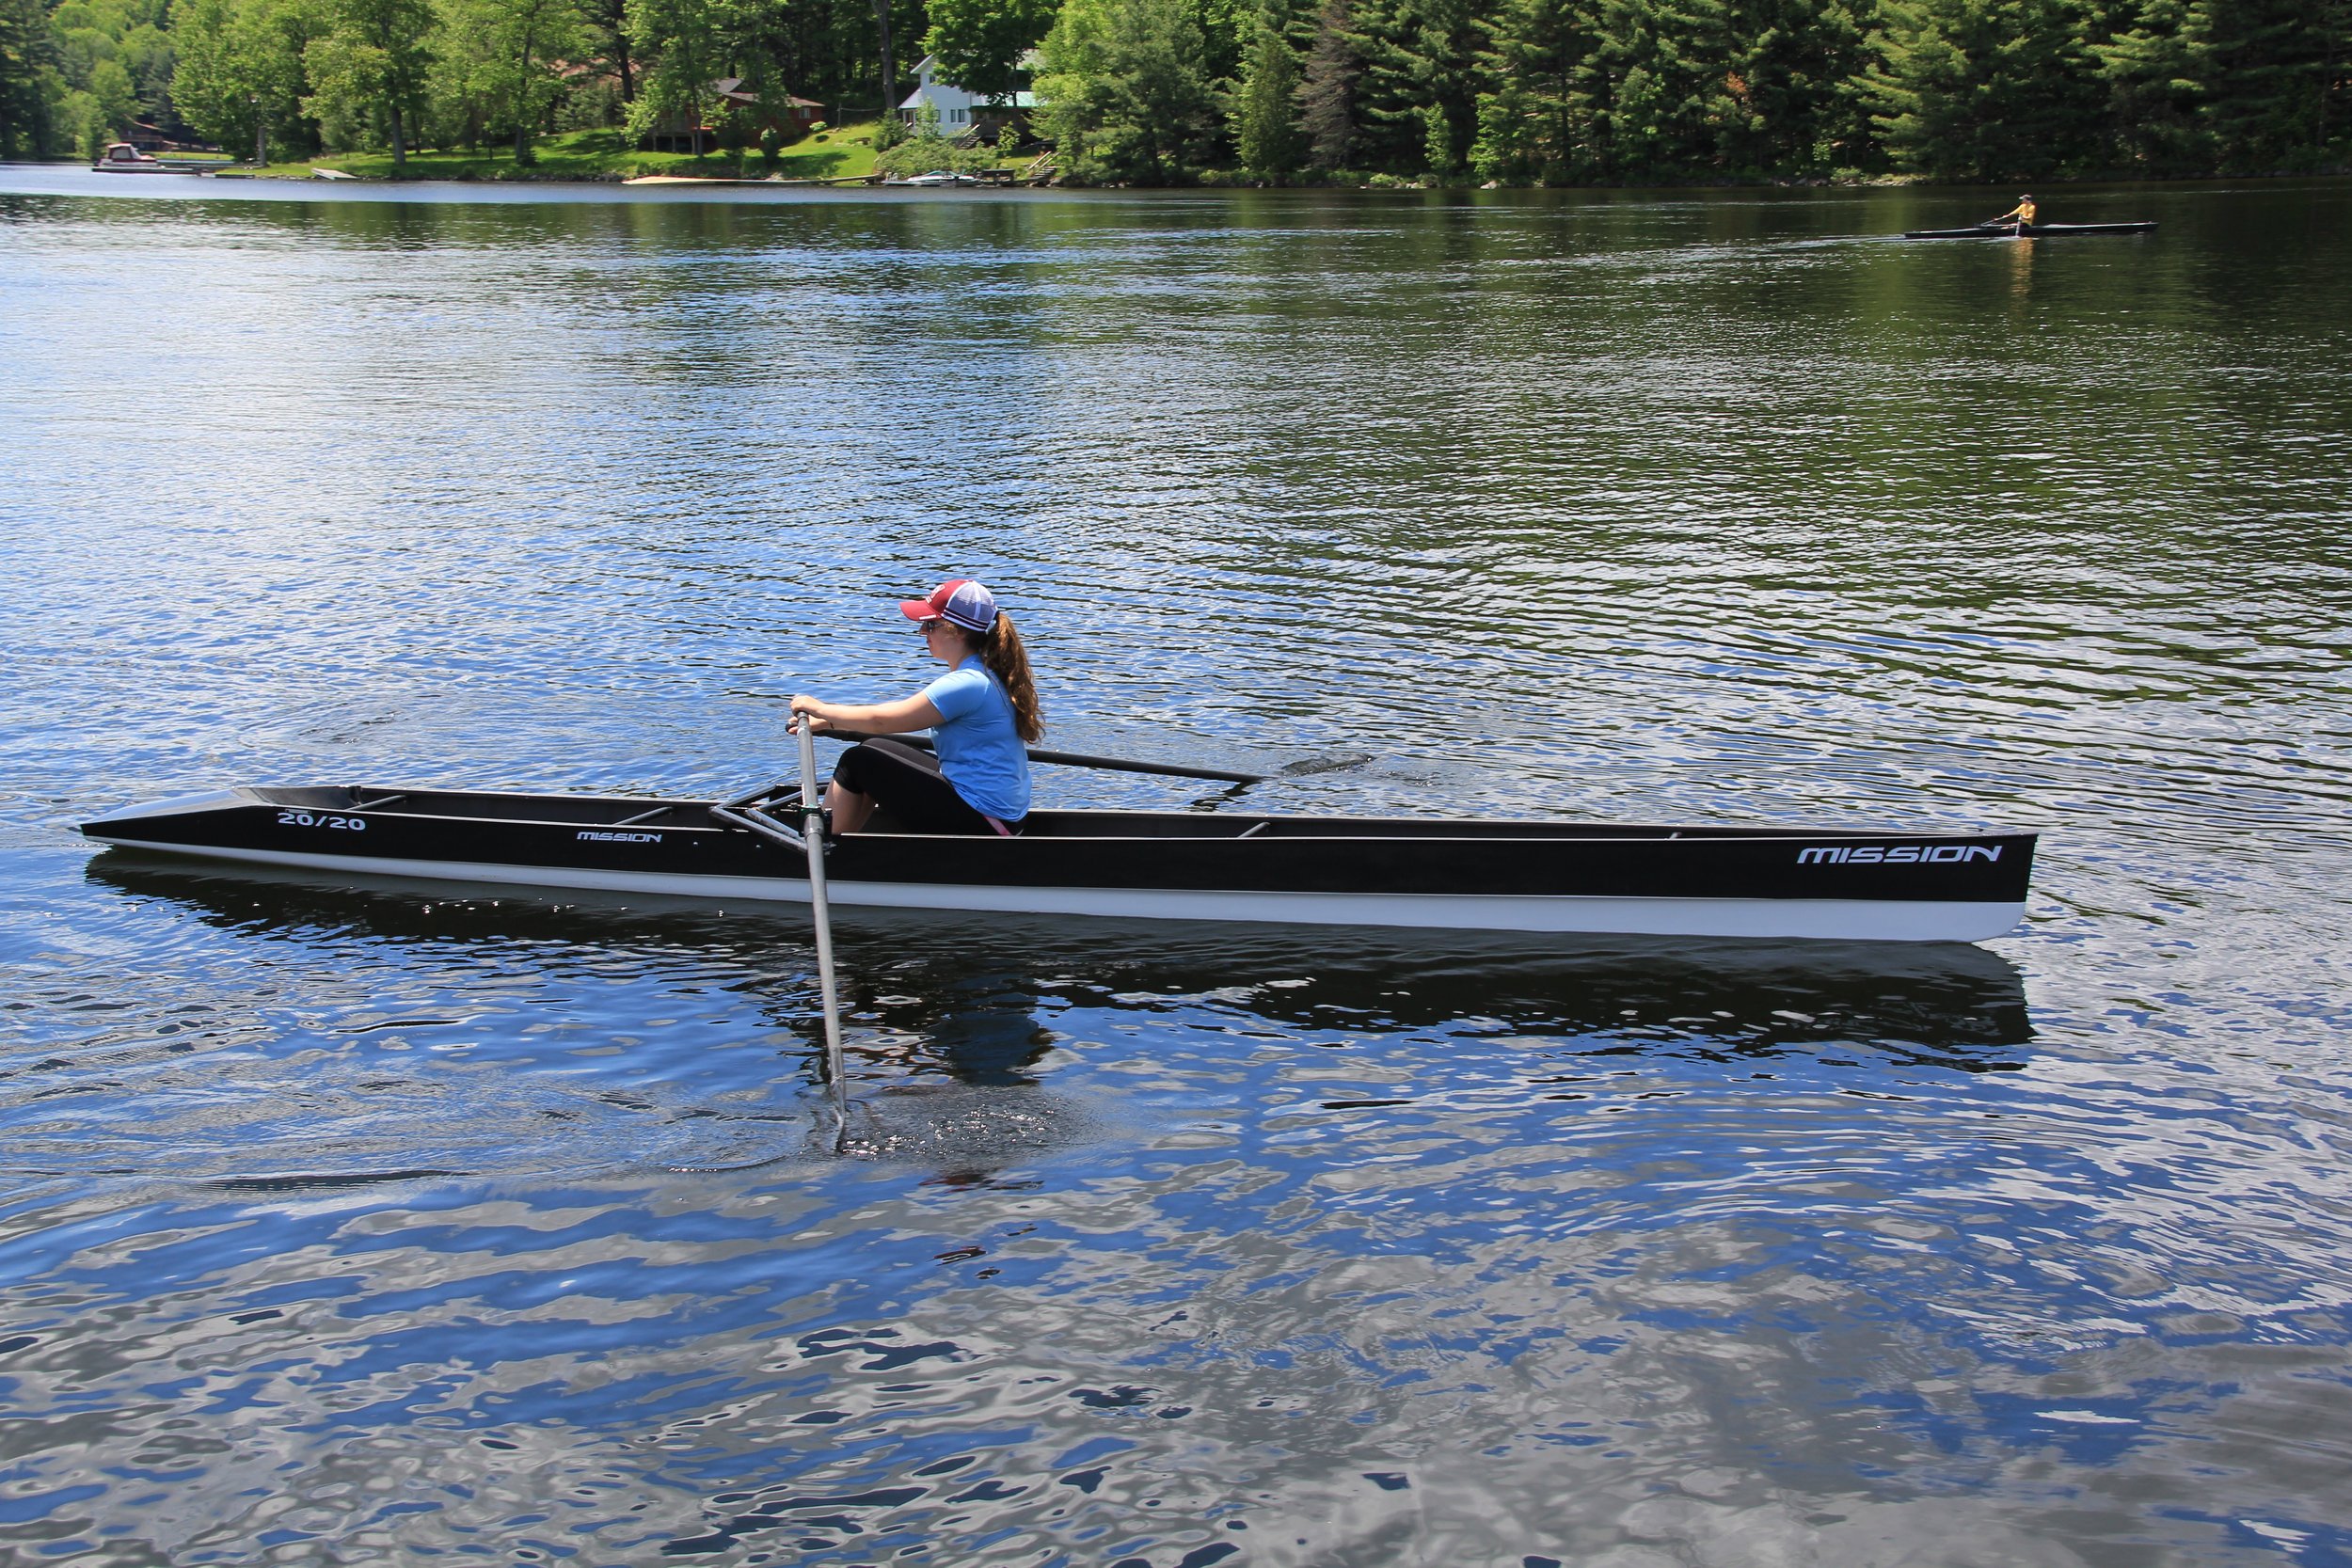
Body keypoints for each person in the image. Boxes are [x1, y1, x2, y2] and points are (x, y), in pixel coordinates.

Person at [789, 579, 1042, 836]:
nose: (922, 631)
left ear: (958, 631)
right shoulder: (986, 672)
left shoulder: (967, 684)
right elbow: (883, 725)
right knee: (873, 747)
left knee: (857, 761)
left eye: (931, 624)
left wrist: (818, 707)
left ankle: (827, 846)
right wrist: (830, 723)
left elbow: (882, 720)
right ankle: (843, 838)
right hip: (996, 811)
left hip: (985, 820)